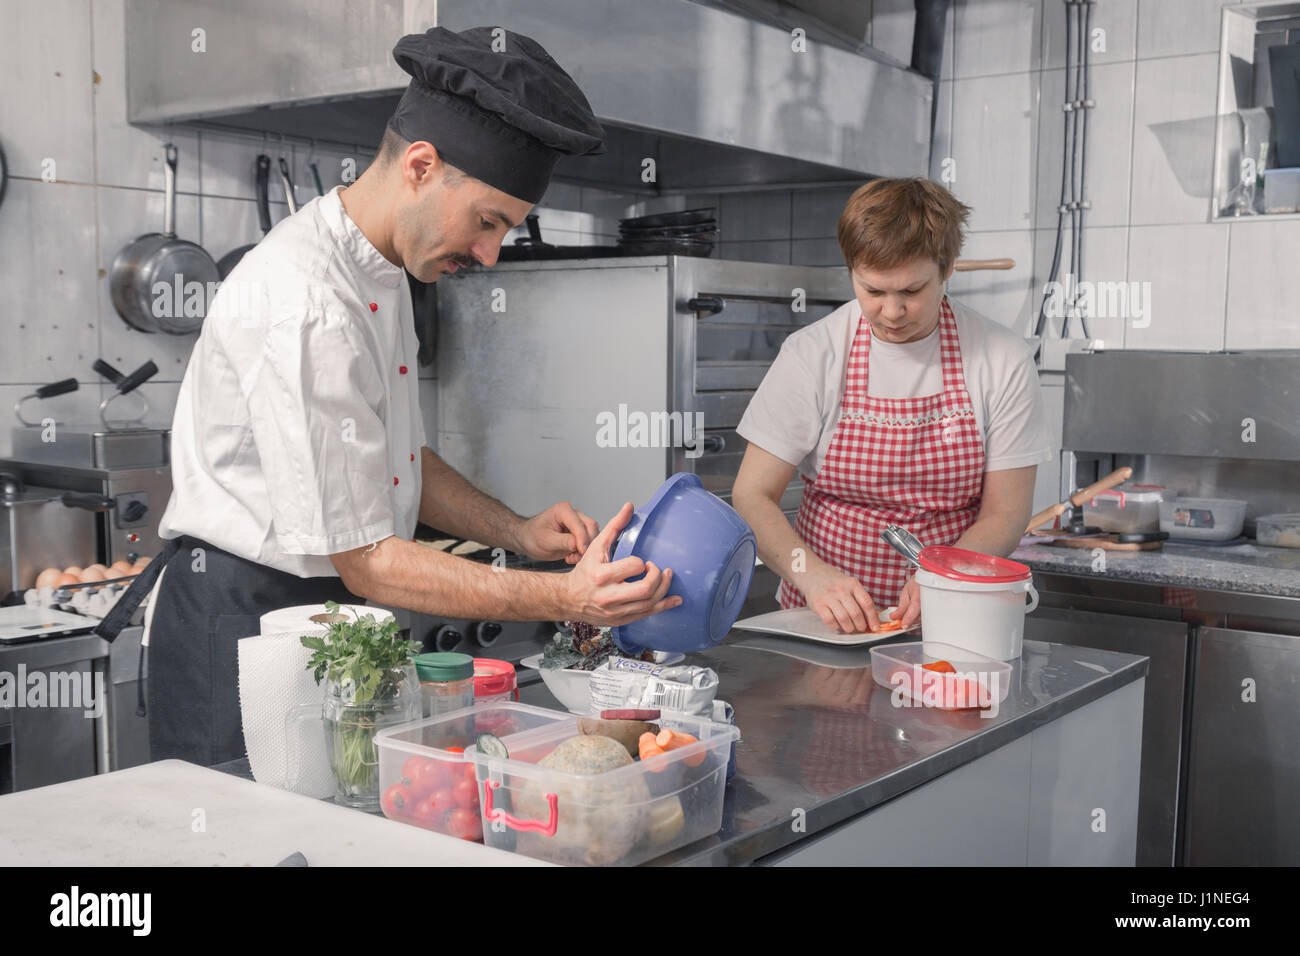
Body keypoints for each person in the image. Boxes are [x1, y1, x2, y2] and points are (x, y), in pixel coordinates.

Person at [97, 26, 679, 765]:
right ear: (421, 166)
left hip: (325, 618)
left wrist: (519, 532)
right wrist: (565, 599)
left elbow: (398, 457)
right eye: (488, 221)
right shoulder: (309, 301)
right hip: (244, 625)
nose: (490, 253)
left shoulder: (381, 266)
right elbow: (370, 560)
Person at [732, 178, 1050, 634]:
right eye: (874, 291)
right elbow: (752, 495)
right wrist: (812, 574)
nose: (892, 312)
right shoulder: (814, 353)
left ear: (948, 269)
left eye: (912, 291)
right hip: (820, 615)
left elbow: (1005, 513)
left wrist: (943, 574)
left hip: (953, 610)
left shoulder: (1002, 358)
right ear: (852, 272)